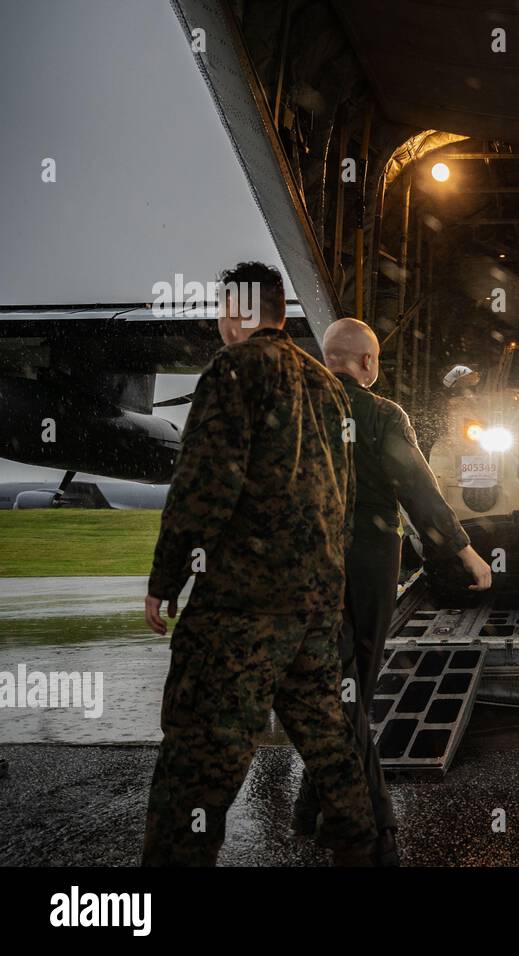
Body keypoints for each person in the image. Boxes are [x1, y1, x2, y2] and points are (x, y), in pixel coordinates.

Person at [142, 262, 379, 866]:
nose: (220, 321)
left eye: (224, 310)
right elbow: (341, 494)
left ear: (240, 312)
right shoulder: (325, 384)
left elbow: (203, 482)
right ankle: (363, 849)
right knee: (327, 735)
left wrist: (168, 578)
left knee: (201, 751)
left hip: (243, 603)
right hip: (314, 601)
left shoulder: (235, 369)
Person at [291, 317, 492, 861]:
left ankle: (311, 806)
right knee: (355, 683)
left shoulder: (293, 410)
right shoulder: (380, 414)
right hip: (366, 562)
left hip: (304, 564)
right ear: (369, 364)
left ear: (325, 358)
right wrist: (464, 550)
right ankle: (374, 820)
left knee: (330, 682)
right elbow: (417, 489)